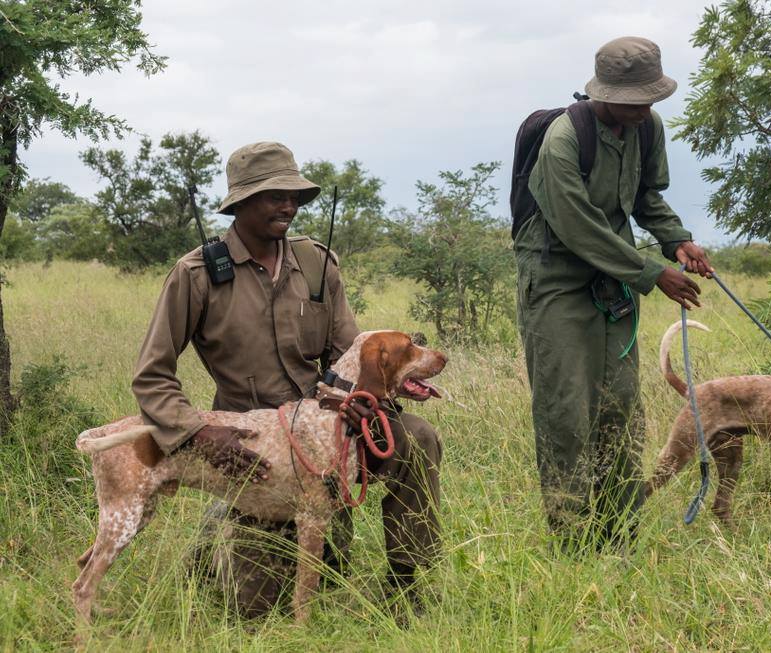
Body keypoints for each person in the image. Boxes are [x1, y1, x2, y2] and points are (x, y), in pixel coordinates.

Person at [132, 141, 441, 616]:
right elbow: (152, 376)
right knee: (258, 609)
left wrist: (358, 399)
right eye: (274, 195)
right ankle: (219, 533)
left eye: (294, 195)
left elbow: (348, 353)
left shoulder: (317, 264)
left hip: (328, 426)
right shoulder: (195, 274)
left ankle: (408, 588)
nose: (289, 205)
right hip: (254, 451)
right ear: (239, 202)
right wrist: (201, 431)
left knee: (416, 437)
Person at [514, 37, 713, 550]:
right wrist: (652, 273)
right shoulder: (563, 139)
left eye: (650, 99)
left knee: (620, 409)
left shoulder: (647, 126)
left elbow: (647, 197)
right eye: (634, 100)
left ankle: (619, 536)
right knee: (565, 412)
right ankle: (573, 542)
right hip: (557, 278)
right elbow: (576, 225)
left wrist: (677, 240)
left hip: (615, 280)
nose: (643, 109)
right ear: (601, 93)